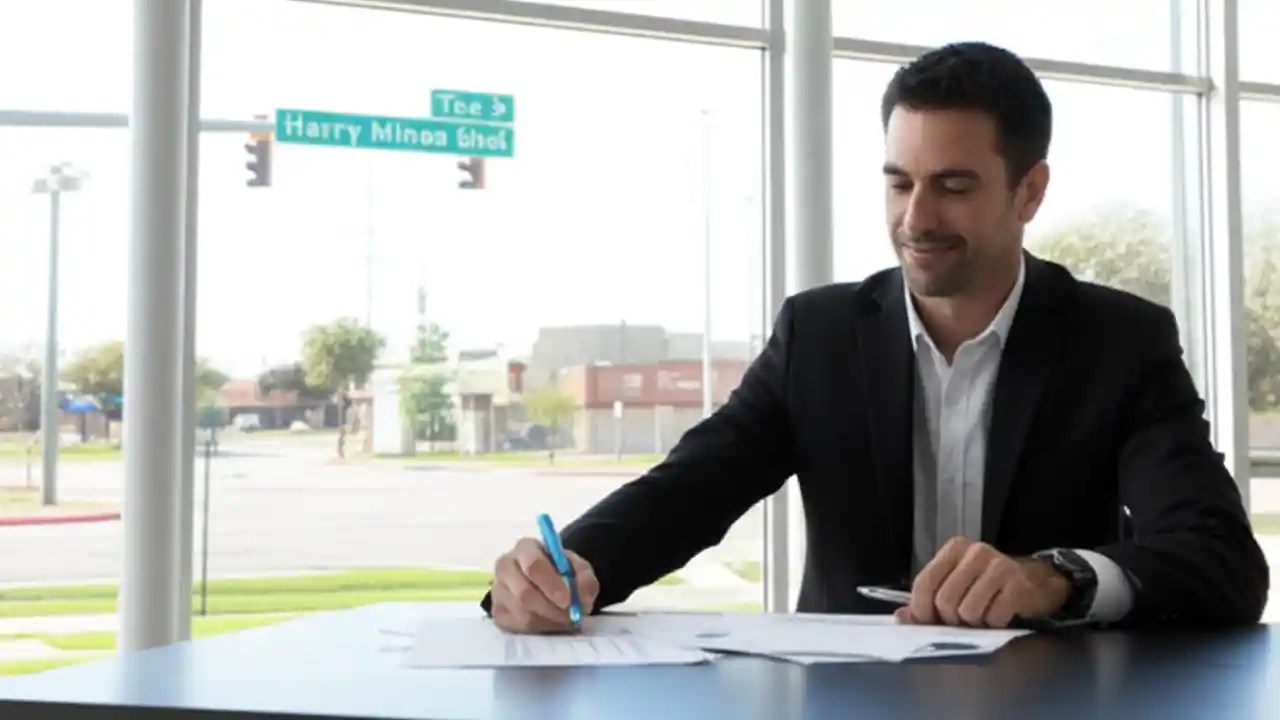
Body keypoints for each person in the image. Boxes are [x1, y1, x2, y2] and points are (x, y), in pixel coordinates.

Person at [482, 41, 1270, 633]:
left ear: (1029, 192)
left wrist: (1055, 578)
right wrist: (572, 569)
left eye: (953, 187)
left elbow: (1222, 561)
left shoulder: (1120, 341)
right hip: (846, 702)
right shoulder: (818, 335)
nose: (916, 219)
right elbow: (691, 489)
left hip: (1051, 701)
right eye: (899, 182)